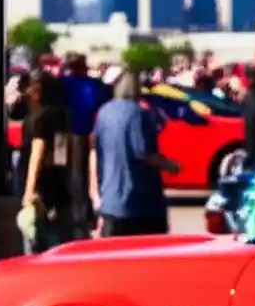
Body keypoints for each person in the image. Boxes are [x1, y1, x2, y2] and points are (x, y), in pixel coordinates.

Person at [89, 72, 180, 237]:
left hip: (110, 200)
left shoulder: (104, 112)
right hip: (139, 202)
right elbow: (143, 152)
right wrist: (170, 165)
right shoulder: (139, 114)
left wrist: (94, 190)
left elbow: (95, 149)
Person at [19, 69, 74, 252]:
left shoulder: (38, 118)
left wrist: (29, 189)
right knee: (59, 230)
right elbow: (60, 152)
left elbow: (37, 151)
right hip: (57, 177)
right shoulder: (61, 115)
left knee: (35, 230)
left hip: (40, 181)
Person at [62, 53, 111, 234]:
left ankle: (79, 213)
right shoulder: (93, 85)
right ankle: (84, 211)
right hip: (85, 132)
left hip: (72, 132)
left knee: (75, 174)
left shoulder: (65, 84)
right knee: (82, 174)